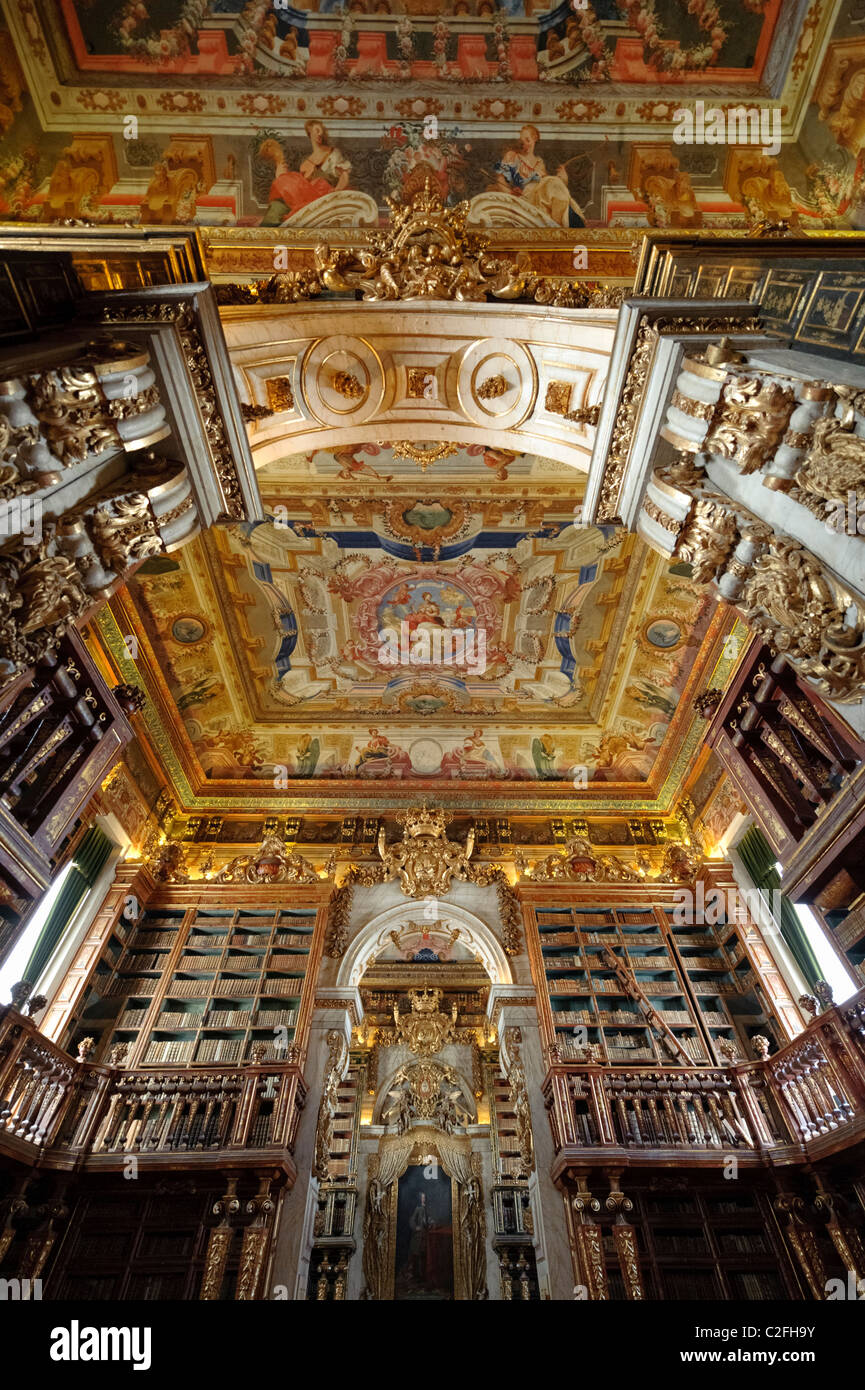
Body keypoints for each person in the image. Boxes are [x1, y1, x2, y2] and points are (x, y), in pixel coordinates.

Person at [491, 125, 585, 227]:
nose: (525, 144)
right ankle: (563, 225)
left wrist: (563, 178)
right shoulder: (513, 156)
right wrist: (511, 194)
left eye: (528, 140)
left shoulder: (540, 163)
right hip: (524, 200)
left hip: (539, 200)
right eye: (522, 141)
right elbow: (500, 179)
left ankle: (563, 224)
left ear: (535, 139)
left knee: (553, 183)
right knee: (552, 182)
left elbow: (547, 189)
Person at [259, 122, 351, 224]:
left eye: (322, 131)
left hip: (321, 196)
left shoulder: (333, 153)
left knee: (283, 180)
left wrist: (337, 191)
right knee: (277, 205)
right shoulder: (304, 163)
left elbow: (344, 175)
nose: (320, 133)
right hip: (304, 199)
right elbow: (300, 188)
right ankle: (267, 230)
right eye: (316, 130)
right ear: (309, 133)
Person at [409, 1192, 432, 1282]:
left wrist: (431, 1222)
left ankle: (422, 1276)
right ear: (419, 1198)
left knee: (423, 1255)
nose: (424, 1199)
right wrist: (416, 1227)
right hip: (418, 1236)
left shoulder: (425, 1208)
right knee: (416, 1255)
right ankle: (416, 1276)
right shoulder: (418, 1208)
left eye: (424, 1197)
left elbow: (428, 1219)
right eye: (422, 1197)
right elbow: (411, 1220)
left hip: (424, 1235)